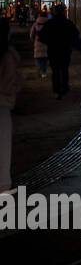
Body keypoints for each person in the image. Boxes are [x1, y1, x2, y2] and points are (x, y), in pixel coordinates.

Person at [38, 2, 79, 100]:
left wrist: (49, 42)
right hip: (65, 50)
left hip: (53, 50)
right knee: (64, 69)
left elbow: (41, 36)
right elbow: (76, 34)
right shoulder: (68, 23)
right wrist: (69, 42)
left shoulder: (50, 23)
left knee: (55, 70)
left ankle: (56, 89)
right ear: (64, 12)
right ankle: (65, 87)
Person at [0, 21, 20, 195]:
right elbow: (13, 83)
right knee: (4, 147)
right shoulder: (8, 56)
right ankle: (3, 187)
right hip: (3, 105)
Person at [29, 5, 50, 79]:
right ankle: (44, 72)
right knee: (45, 59)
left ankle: (39, 70)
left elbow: (31, 34)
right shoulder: (49, 24)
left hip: (37, 43)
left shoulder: (36, 24)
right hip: (47, 44)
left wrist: (33, 40)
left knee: (38, 58)